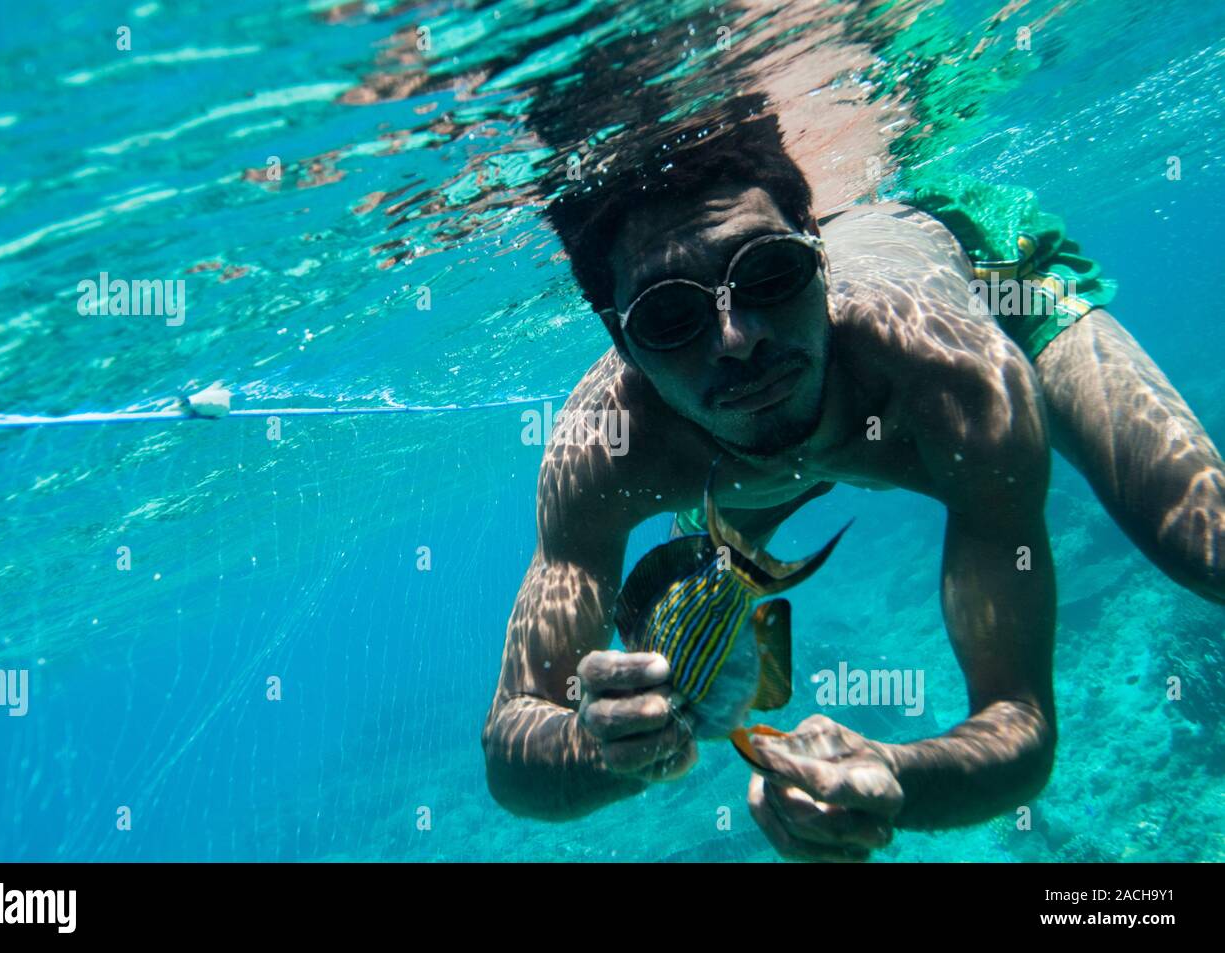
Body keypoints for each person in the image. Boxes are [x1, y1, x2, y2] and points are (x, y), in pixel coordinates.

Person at [480, 111, 1224, 861]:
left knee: (1205, 542)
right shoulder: (603, 448)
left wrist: (903, 774)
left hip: (994, 273)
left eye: (771, 272)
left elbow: (1021, 718)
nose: (740, 340)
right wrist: (594, 743)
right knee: (712, 575)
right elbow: (511, 746)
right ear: (620, 341)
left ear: (820, 255)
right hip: (729, 471)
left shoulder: (957, 384)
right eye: (671, 315)